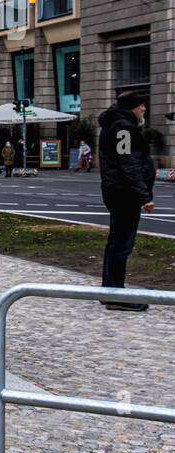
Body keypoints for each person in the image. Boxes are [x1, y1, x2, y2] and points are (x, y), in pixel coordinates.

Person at [99, 89, 157, 310]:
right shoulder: (123, 128)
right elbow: (128, 163)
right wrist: (144, 196)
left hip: (118, 191)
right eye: (142, 105)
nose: (144, 109)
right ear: (133, 106)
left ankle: (110, 290)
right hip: (124, 194)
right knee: (121, 245)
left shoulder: (116, 125)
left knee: (116, 242)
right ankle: (115, 294)